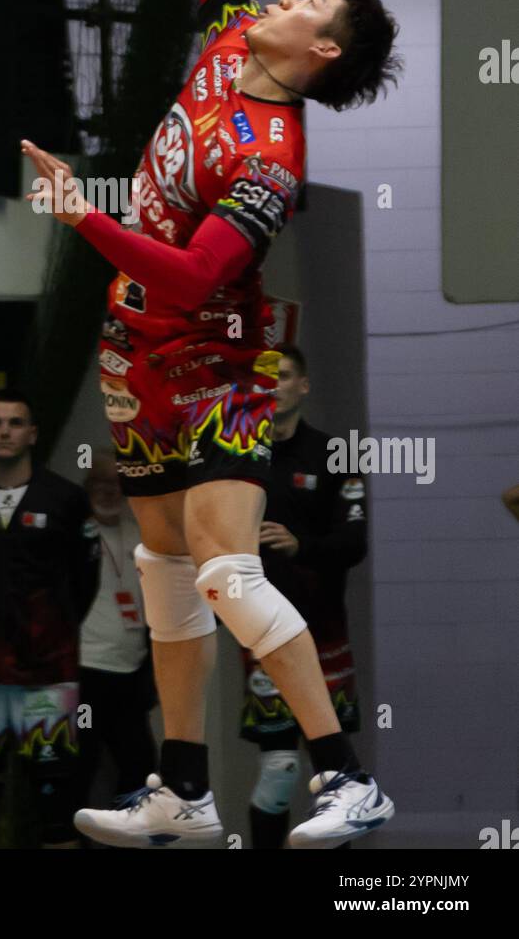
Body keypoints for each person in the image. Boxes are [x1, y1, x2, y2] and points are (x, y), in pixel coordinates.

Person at [21, 0, 458, 849]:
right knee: (163, 573)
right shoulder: (232, 33)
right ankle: (182, 793)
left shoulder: (269, 156)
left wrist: (81, 216)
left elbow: (187, 281)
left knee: (225, 575)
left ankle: (345, 776)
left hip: (212, 360)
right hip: (132, 355)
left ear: (321, 52)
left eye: (307, 5)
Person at [0, 388, 100, 849]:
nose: (4, 431)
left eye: (14, 423)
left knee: (55, 801)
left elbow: (84, 580)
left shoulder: (66, 500)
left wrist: (51, 629)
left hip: (47, 672)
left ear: (32, 433)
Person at [240, 345, 367, 850]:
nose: (273, 384)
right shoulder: (240, 459)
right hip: (261, 634)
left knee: (336, 781)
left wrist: (301, 546)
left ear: (303, 385)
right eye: (265, 377)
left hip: (324, 635)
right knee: (278, 770)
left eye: (284, 375)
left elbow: (356, 543)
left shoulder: (336, 453)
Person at [77, 454, 158, 809]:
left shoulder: (142, 531)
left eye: (116, 483)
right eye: (100, 482)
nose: (108, 491)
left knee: (141, 769)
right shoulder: (73, 532)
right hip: (85, 670)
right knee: (80, 768)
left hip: (132, 671)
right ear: (87, 487)